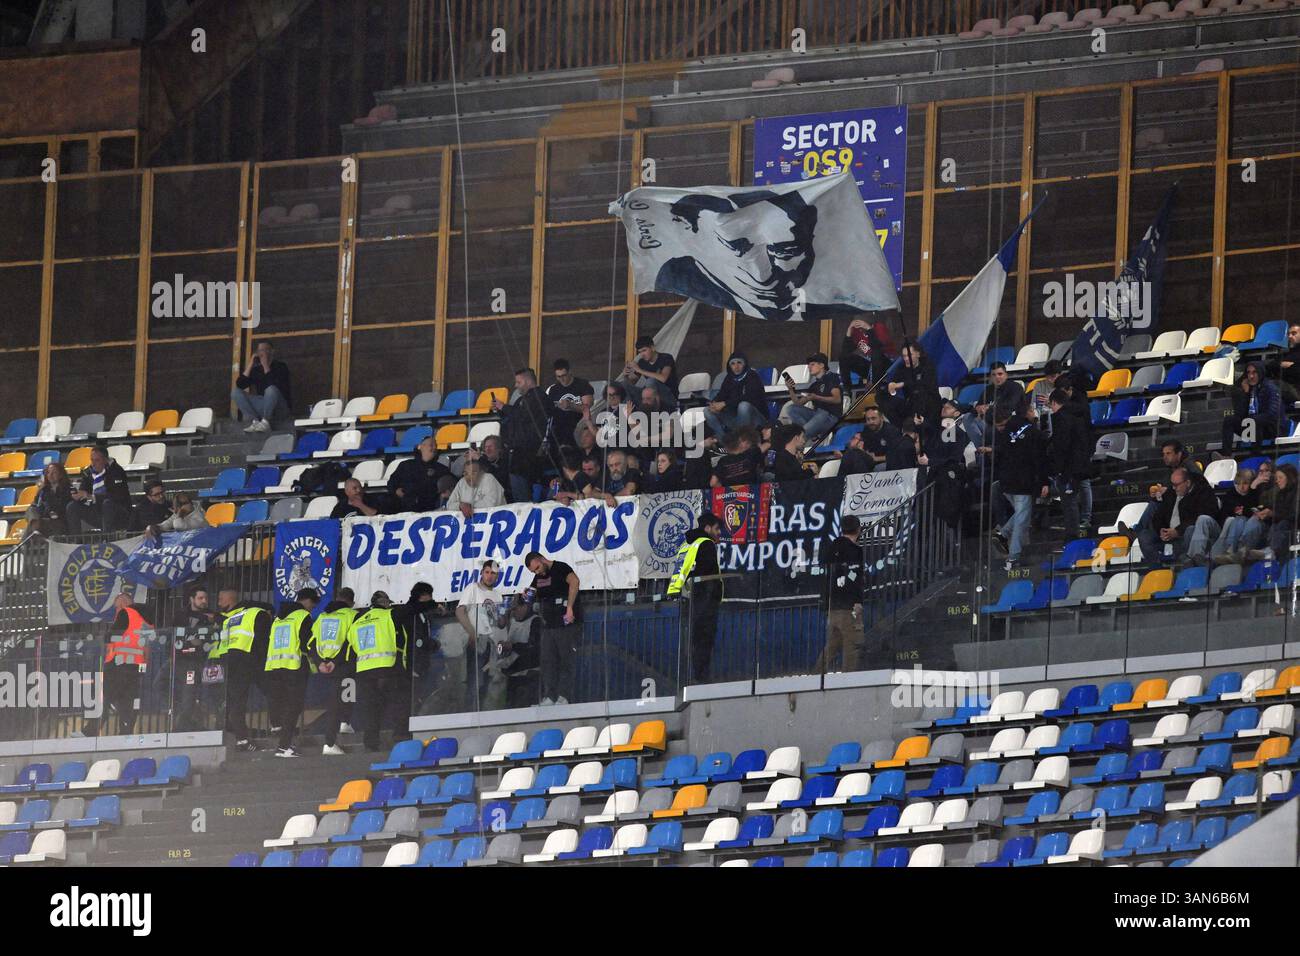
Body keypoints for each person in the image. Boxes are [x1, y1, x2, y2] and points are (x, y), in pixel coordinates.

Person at [655, 189, 818, 321]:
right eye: (740, 248)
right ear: (691, 231)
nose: (763, 274)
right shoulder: (679, 281)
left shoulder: (824, 303)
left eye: (786, 252)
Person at [207, 588, 271, 752]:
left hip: (235, 661)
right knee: (234, 701)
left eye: (221, 599)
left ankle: (241, 737)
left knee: (235, 701)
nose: (218, 602)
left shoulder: (236, 616)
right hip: (234, 661)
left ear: (230, 599)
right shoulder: (234, 617)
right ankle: (242, 736)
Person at [667, 512, 724, 686]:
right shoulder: (706, 544)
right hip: (703, 601)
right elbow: (708, 576)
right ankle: (701, 678)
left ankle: (691, 677)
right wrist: (712, 598)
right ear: (707, 528)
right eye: (716, 528)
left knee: (692, 641)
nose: (719, 533)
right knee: (704, 641)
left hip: (685, 598)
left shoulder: (688, 544)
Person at [349, 591, 410, 752]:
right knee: (398, 703)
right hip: (387, 667)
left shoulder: (358, 621)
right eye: (388, 602)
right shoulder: (389, 615)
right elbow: (401, 641)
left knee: (371, 708)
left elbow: (352, 645)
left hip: (364, 671)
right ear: (384, 603)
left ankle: (370, 742)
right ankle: (400, 737)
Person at [83, 592, 150, 737]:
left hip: (118, 664)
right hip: (135, 666)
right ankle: (125, 732)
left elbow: (111, 636)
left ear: (123, 604)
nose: (117, 610)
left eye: (117, 607)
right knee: (126, 701)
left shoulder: (126, 613)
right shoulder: (145, 620)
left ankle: (91, 730)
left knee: (104, 698)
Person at [988, 412, 1049, 570]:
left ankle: (1003, 534)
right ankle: (1013, 556)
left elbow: (998, 457)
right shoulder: (1032, 433)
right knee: (1022, 518)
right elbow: (1039, 459)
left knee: (1023, 513)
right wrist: (1043, 481)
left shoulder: (1004, 434)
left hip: (1006, 482)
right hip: (1023, 483)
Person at [265, 588, 319, 757]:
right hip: (294, 667)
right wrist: (319, 662)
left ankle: (282, 742)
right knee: (293, 707)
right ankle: (284, 746)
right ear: (308, 601)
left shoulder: (278, 618)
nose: (313, 607)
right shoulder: (303, 616)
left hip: (275, 667)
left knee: (282, 705)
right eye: (313, 604)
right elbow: (307, 643)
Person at [525, 552, 581, 706]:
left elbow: (575, 582)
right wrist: (526, 596)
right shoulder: (538, 578)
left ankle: (564, 695)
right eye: (534, 571)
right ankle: (550, 695)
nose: (537, 572)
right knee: (548, 660)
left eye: (537, 568)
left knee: (565, 659)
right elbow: (532, 594)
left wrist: (570, 608)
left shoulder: (560, 568)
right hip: (548, 625)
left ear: (542, 559)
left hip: (564, 623)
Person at [309, 587, 358, 754]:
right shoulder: (352, 616)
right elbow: (350, 643)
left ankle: (345, 723)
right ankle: (330, 743)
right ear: (351, 602)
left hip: (324, 665)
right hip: (343, 665)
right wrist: (335, 663)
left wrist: (320, 662)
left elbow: (311, 643)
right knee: (340, 699)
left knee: (340, 698)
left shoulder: (323, 616)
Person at [1137, 467, 1221, 566]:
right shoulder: (1171, 493)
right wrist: (1161, 530)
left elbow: (1200, 518)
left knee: (1191, 530)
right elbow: (1158, 515)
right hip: (1169, 536)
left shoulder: (1202, 493)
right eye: (1172, 484)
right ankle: (1157, 568)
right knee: (1144, 535)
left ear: (1188, 483)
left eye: (1176, 485)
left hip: (1184, 535)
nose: (1173, 488)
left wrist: (1178, 531)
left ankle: (1191, 562)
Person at [455, 561, 508, 711]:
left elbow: (501, 623)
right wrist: (472, 633)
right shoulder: (473, 588)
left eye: (493, 573)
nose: (490, 576)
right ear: (482, 573)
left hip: (492, 642)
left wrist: (505, 613)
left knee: (488, 680)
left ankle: (483, 712)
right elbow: (460, 611)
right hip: (478, 639)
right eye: (487, 572)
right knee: (474, 680)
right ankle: (471, 713)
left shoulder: (498, 594)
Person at [495, 367, 553, 502]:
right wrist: (501, 411)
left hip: (531, 453)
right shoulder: (520, 400)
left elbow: (525, 416)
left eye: (518, 382)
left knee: (525, 494)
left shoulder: (539, 397)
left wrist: (504, 407)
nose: (516, 386)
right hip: (518, 454)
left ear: (527, 381)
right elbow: (513, 418)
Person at [815, 515, 864, 673]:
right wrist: (856, 602)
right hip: (848, 605)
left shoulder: (830, 549)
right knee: (852, 644)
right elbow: (853, 576)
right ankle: (849, 679)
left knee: (833, 644)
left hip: (831, 605)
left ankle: (815, 677)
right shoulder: (854, 551)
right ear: (858, 529)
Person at [1047, 388, 1095, 537]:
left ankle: (1072, 537)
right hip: (1080, 464)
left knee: (1069, 504)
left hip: (1068, 468)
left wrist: (1059, 469)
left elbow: (1062, 446)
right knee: (1072, 501)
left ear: (1054, 403)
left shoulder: (1061, 419)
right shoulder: (1078, 415)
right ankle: (1075, 533)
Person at [1233, 463, 1300, 562]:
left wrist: (1272, 513)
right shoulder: (1281, 492)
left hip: (1292, 530)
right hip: (1276, 528)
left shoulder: (1297, 492)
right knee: (1252, 520)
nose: (1277, 481)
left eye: (1280, 477)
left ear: (1289, 477)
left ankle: (1270, 552)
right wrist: (1268, 512)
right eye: (1277, 478)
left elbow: (1294, 514)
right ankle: (1241, 551)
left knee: (1283, 524)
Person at [173, 585, 217, 732]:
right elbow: (171, 635)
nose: (204, 601)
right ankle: (187, 707)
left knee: (189, 692)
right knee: (158, 683)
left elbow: (214, 636)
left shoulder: (210, 616)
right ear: (192, 599)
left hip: (195, 660)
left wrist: (201, 641)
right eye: (200, 598)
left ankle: (183, 726)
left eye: (206, 598)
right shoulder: (181, 614)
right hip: (177, 657)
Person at [66, 445, 131, 535]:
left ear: (105, 460)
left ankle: (107, 540)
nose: (93, 464)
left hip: (119, 513)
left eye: (97, 460)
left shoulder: (117, 471)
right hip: (98, 512)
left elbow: (118, 496)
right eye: (92, 460)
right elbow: (83, 491)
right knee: (72, 506)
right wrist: (78, 496)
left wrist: (92, 497)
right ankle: (75, 541)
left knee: (107, 504)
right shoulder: (88, 472)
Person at [779, 352, 843, 442]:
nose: (809, 367)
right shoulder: (814, 385)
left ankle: (801, 436)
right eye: (808, 365)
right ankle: (810, 434)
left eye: (812, 364)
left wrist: (816, 397)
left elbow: (837, 399)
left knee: (822, 413)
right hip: (817, 416)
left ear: (821, 365)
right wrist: (790, 389)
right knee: (791, 409)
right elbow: (798, 403)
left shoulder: (832, 377)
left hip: (830, 418)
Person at [1221, 360, 1281, 453]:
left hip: (1270, 428)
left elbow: (1272, 414)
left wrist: (1253, 419)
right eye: (1248, 373)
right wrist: (1245, 393)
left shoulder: (1270, 388)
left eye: (1254, 372)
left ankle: (1255, 455)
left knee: (1254, 421)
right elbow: (1240, 415)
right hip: (1251, 427)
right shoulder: (1249, 389)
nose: (1251, 376)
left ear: (1260, 373)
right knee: (1229, 420)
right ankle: (1226, 455)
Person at [232, 340, 292, 432]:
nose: (262, 353)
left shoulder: (281, 366)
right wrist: (251, 364)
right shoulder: (256, 370)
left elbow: (274, 385)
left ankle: (265, 422)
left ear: (272, 351)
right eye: (260, 351)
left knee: (270, 389)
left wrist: (265, 365)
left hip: (280, 406)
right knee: (236, 392)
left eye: (265, 350)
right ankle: (254, 422)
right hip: (264, 405)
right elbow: (240, 384)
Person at [704, 352, 768, 438]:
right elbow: (722, 395)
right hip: (736, 420)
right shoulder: (729, 378)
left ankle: (741, 442)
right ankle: (726, 442)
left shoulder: (752, 376)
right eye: (733, 364)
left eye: (739, 363)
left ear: (744, 364)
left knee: (743, 406)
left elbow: (749, 397)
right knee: (707, 411)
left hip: (756, 420)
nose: (736, 366)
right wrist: (714, 404)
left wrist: (724, 404)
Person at [880, 341, 941, 429]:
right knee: (882, 398)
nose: (906, 359)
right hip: (911, 404)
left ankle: (918, 423)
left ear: (918, 354)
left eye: (910, 355)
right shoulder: (901, 368)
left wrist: (903, 384)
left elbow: (924, 384)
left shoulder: (928, 366)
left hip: (929, 403)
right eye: (904, 356)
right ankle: (902, 428)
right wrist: (891, 386)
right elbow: (893, 383)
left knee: (921, 393)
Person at [387, 436, 451, 513]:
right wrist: (396, 490)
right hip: (403, 504)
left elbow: (451, 484)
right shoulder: (406, 465)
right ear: (420, 447)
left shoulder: (442, 469)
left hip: (427, 506)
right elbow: (391, 482)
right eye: (431, 445)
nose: (434, 448)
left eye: (435, 446)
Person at [1210, 469, 1259, 564]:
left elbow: (1252, 510)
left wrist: (1244, 511)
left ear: (1251, 483)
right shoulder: (1230, 494)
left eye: (1245, 483)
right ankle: (1228, 550)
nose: (1241, 487)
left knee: (1240, 520)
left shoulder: (1255, 494)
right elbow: (1224, 514)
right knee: (1233, 520)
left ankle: (1232, 550)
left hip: (1249, 527)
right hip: (1229, 528)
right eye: (1238, 483)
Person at [546, 359, 594, 449]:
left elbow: (589, 408)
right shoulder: (554, 389)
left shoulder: (582, 385)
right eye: (558, 377)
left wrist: (571, 406)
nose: (562, 379)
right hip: (559, 430)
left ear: (570, 372)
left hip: (578, 428)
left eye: (564, 375)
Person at [622, 335, 678, 410]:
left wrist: (640, 370)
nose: (642, 354)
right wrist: (626, 375)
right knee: (623, 385)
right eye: (640, 352)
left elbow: (663, 378)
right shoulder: (642, 362)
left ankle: (652, 412)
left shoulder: (666, 358)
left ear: (652, 348)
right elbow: (633, 382)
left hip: (669, 399)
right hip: (648, 398)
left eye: (644, 350)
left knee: (650, 381)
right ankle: (627, 415)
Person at [839, 315, 894, 387]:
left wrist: (869, 329)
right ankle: (846, 390)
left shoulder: (879, 328)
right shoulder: (857, 332)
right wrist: (849, 330)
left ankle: (874, 384)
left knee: (876, 354)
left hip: (885, 366)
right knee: (844, 357)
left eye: (860, 324)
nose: (859, 329)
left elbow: (877, 347)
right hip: (869, 366)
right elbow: (845, 351)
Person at [25, 461, 73, 538]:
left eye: (54, 472)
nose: (50, 475)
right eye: (48, 473)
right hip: (44, 521)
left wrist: (47, 512)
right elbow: (36, 506)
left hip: (60, 523)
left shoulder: (68, 489)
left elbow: (60, 509)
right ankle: (35, 531)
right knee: (31, 510)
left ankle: (23, 545)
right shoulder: (43, 490)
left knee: (31, 526)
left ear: (61, 475)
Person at [859, 406, 900, 471]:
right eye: (868, 419)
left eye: (873, 418)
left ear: (881, 418)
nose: (871, 422)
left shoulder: (891, 431)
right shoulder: (867, 429)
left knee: (877, 468)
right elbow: (865, 447)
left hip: (889, 463)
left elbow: (897, 455)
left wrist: (876, 458)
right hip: (871, 461)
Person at [1267, 322, 1300, 404]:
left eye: (1294, 333)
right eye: (1289, 334)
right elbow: (1271, 365)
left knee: (1270, 384)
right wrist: (1282, 365)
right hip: (1283, 384)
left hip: (1296, 389)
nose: (1290, 336)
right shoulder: (1285, 353)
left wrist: (1292, 367)